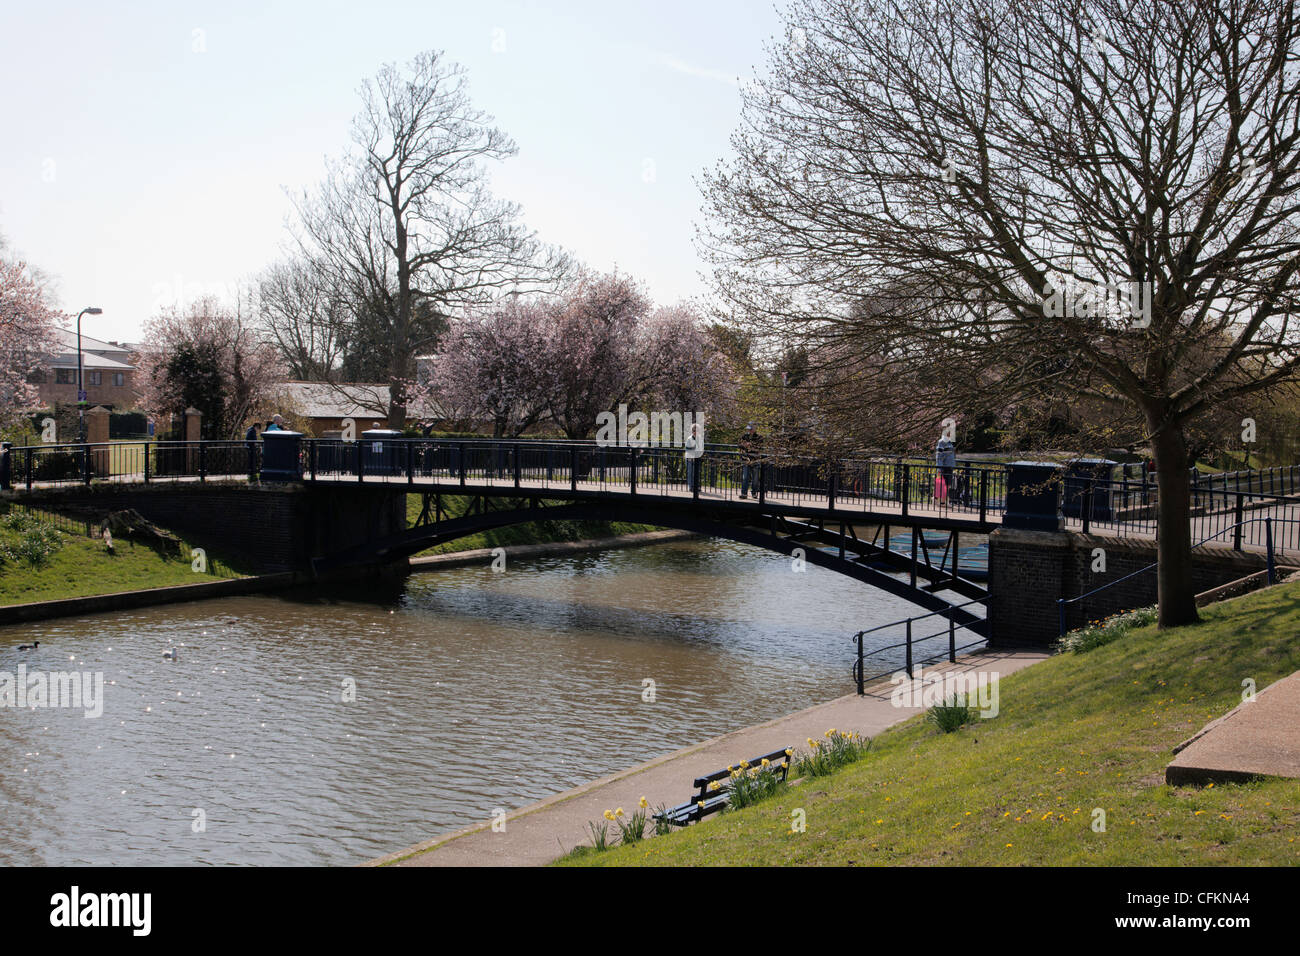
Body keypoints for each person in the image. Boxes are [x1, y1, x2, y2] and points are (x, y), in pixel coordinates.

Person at [739, 423, 762, 499]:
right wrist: (744, 445)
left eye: (751, 429)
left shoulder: (759, 437)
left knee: (755, 479)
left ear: (755, 429)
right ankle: (744, 493)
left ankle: (754, 493)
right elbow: (739, 445)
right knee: (745, 477)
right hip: (746, 460)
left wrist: (750, 445)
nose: (749, 430)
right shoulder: (744, 436)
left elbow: (760, 447)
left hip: (755, 460)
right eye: (748, 429)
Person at [935, 434, 956, 502]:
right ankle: (940, 501)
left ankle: (943, 501)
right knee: (942, 485)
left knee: (947, 485)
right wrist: (939, 468)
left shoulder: (950, 442)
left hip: (949, 467)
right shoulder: (942, 442)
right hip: (944, 467)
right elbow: (939, 456)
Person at [684, 422, 702, 490]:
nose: (695, 432)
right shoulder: (689, 438)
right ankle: (691, 487)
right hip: (689, 458)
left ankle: (696, 486)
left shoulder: (699, 438)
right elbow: (687, 448)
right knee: (690, 473)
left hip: (696, 458)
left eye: (696, 430)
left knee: (696, 473)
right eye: (693, 430)